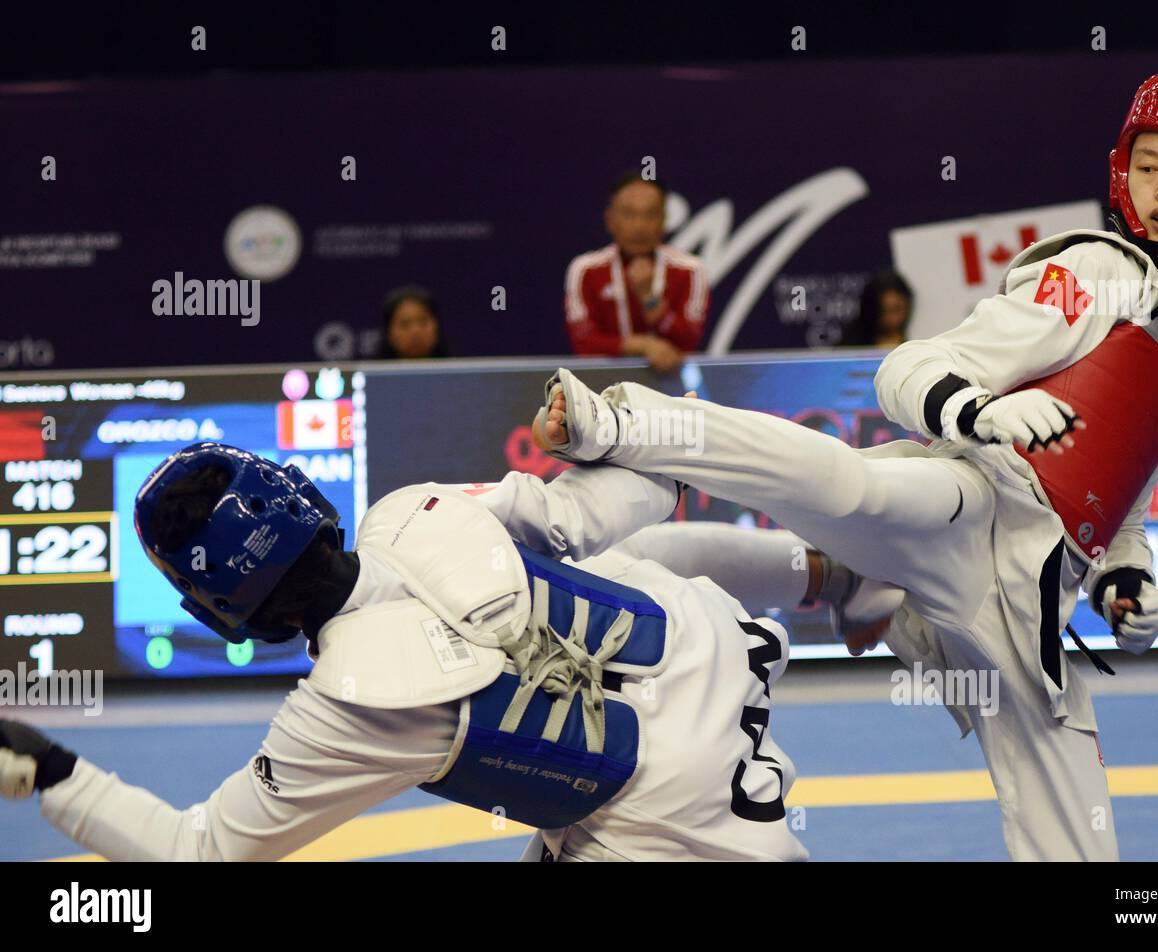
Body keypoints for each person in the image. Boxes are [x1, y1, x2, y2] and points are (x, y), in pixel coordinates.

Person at [529, 65, 1158, 861]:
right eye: (1149, 165)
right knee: (851, 487)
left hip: (1030, 605)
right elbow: (908, 369)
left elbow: (1130, 498)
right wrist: (984, 411)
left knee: (1075, 832)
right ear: (1122, 173)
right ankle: (629, 420)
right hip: (977, 502)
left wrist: (1129, 577)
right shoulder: (1097, 271)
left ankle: (851, 580)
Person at [0, 442, 807, 862]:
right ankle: (834, 570)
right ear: (305, 502)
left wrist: (55, 770)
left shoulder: (351, 704)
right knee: (628, 560)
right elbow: (646, 505)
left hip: (692, 832)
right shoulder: (420, 510)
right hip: (721, 650)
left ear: (217, 609)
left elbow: (199, 849)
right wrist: (823, 573)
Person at [564, 172, 710, 374]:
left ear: (664, 220)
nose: (639, 226)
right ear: (610, 220)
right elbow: (585, 344)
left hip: (670, 389)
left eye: (650, 214)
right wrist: (643, 345)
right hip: (601, 387)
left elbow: (687, 341)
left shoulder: (691, 270)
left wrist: (650, 299)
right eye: (628, 214)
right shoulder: (585, 270)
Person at [839, 269, 914, 349]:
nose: (892, 319)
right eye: (882, 311)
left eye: (897, 309)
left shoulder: (916, 345)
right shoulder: (849, 348)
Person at [378, 284, 449, 359]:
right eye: (405, 324)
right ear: (389, 332)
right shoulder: (369, 370)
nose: (415, 331)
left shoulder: (456, 367)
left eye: (423, 322)